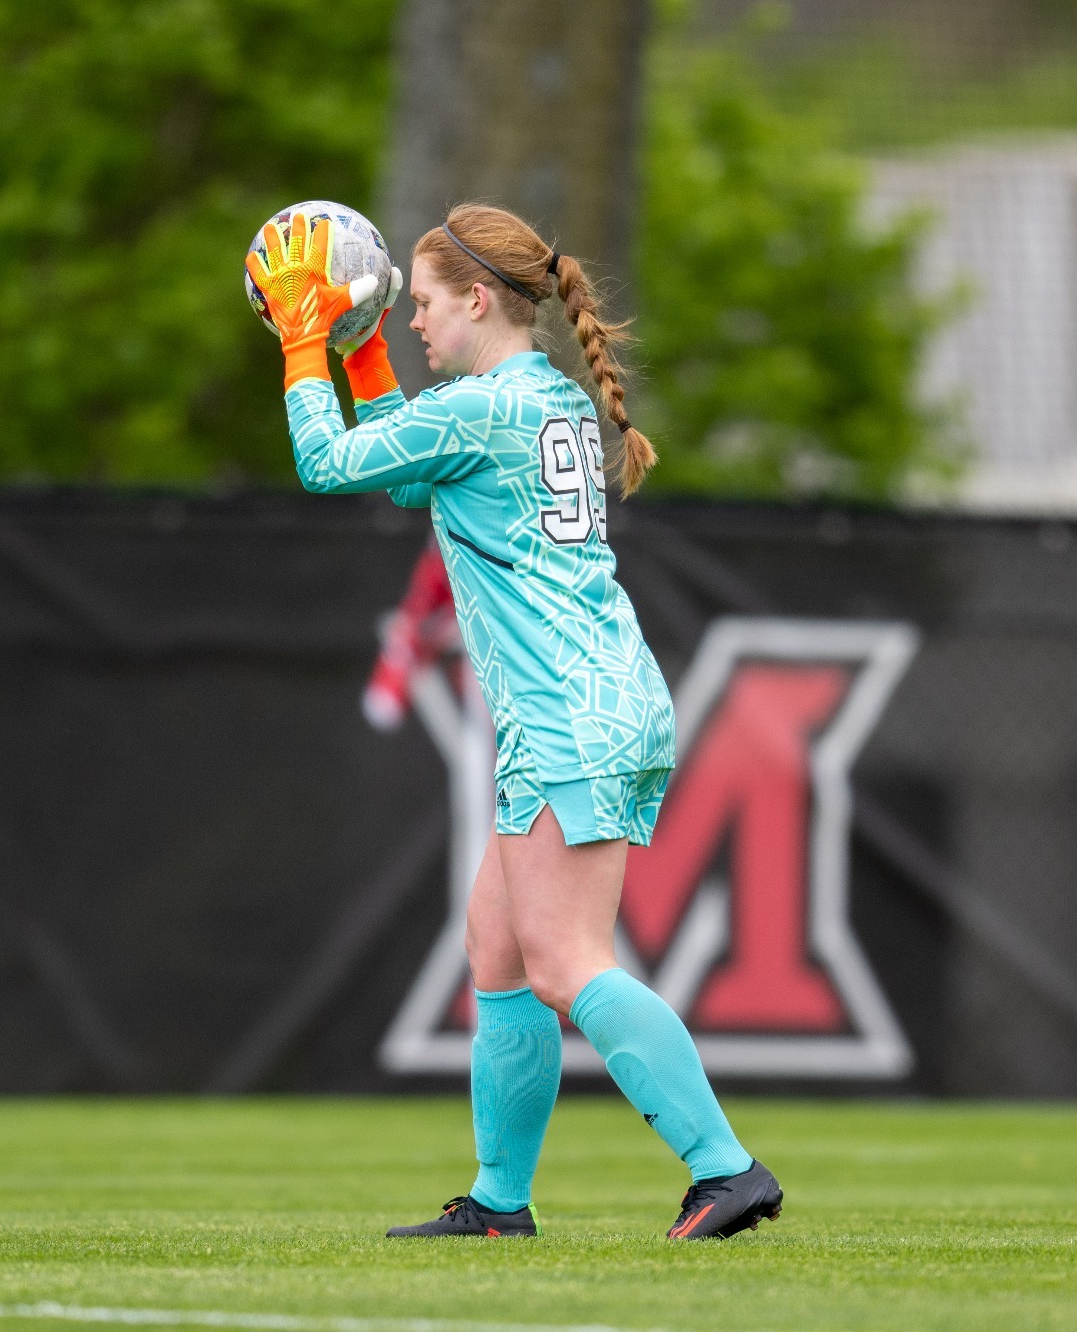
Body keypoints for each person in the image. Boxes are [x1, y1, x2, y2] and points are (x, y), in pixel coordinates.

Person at [245, 203, 783, 1241]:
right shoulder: (536, 397)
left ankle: (725, 1169)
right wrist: (357, 363)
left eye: (425, 302)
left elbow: (327, 465)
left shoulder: (484, 409)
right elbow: (409, 474)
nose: (410, 319)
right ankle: (498, 1204)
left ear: (478, 300)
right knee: (495, 950)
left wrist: (308, 341)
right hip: (591, 700)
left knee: (564, 962)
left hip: (566, 713)